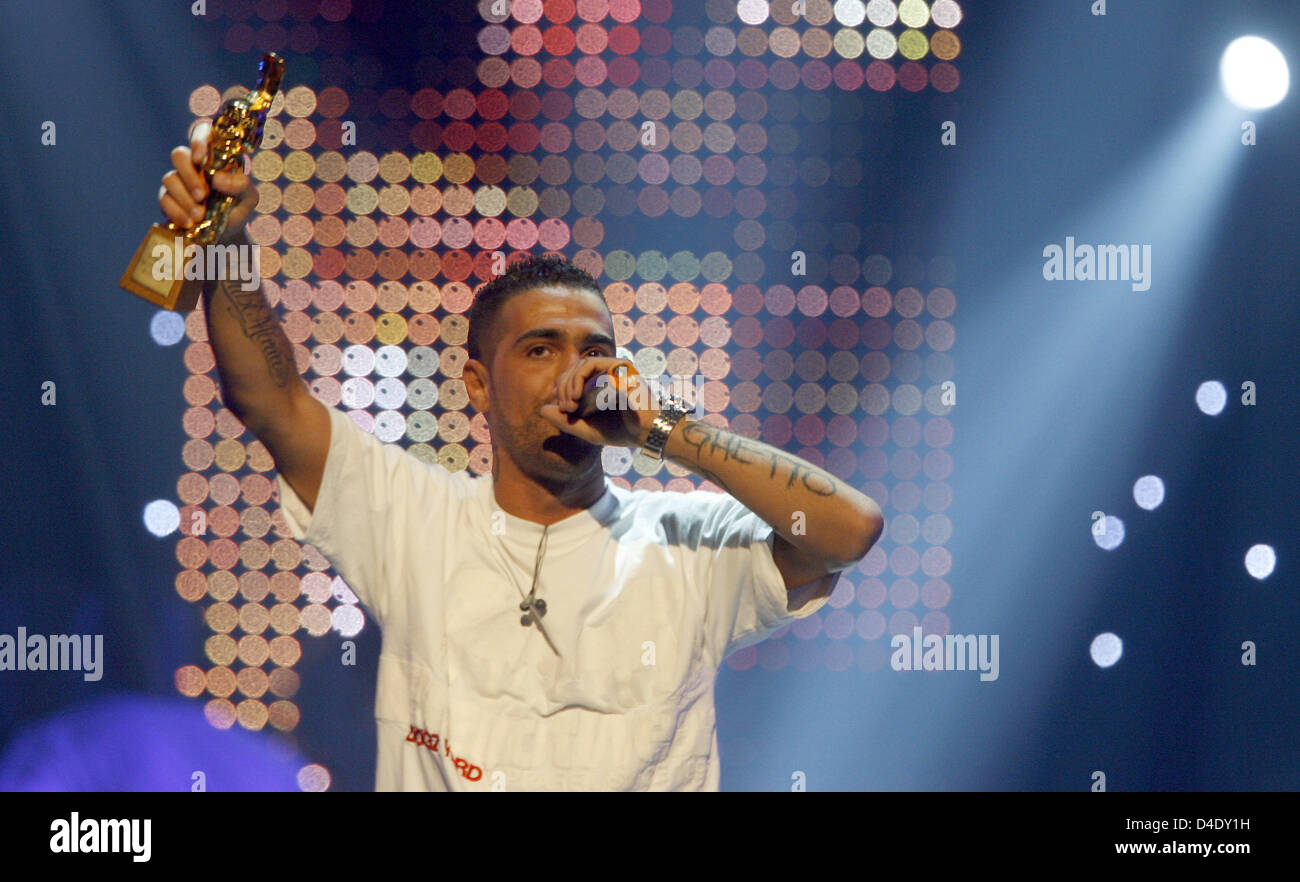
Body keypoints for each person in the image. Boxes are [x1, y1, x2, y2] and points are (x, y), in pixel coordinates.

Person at [158, 120, 884, 791]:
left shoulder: (681, 541)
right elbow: (270, 401)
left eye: (595, 351)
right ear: (478, 382)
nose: (578, 372)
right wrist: (225, 237)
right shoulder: (409, 514)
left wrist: (665, 432)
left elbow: (847, 533)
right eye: (541, 350)